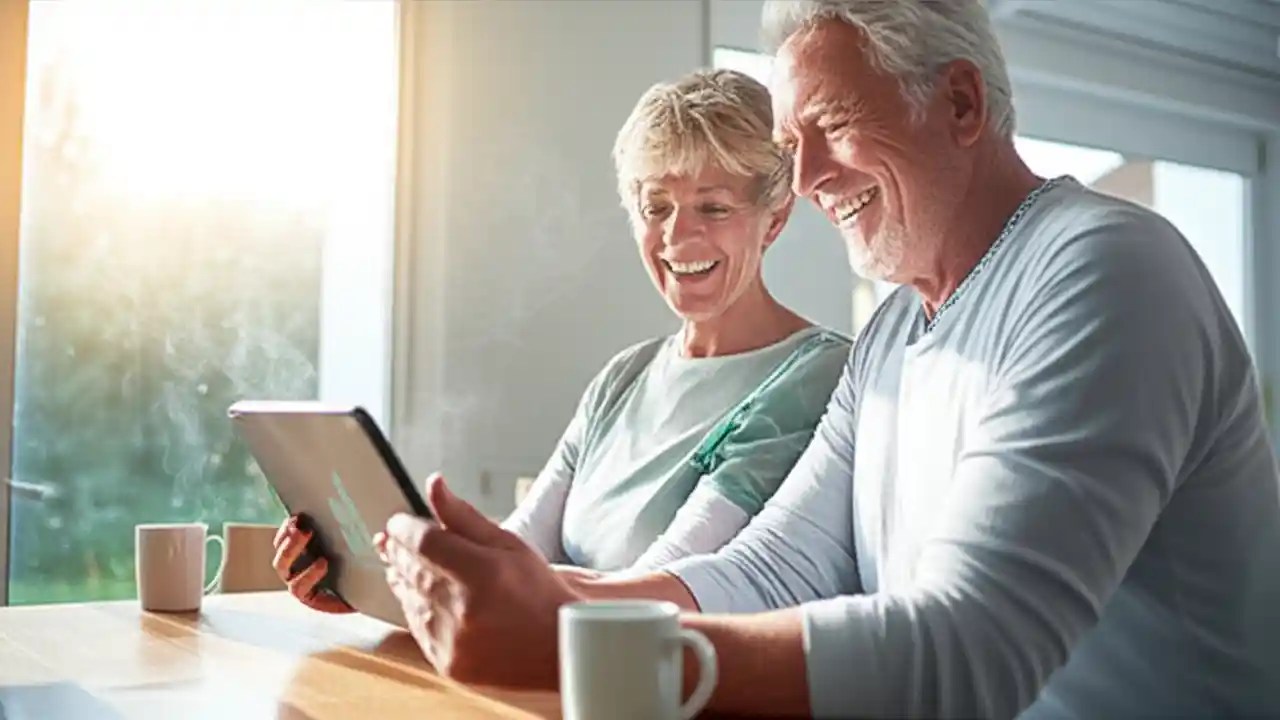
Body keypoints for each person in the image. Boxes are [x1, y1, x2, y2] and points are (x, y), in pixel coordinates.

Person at [373, 1, 1280, 718]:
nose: (804, 181)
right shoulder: (892, 335)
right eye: (790, 146)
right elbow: (769, 572)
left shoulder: (1105, 269)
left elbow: (968, 652)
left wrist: (577, 636)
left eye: (834, 125)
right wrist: (528, 593)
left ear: (960, 104)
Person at [271, 69, 852, 613]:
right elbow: (522, 543)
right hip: (556, 663)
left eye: (714, 207)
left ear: (774, 219)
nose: (678, 234)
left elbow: (660, 591)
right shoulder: (625, 376)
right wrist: (376, 584)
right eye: (656, 206)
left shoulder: (814, 375)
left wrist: (456, 590)